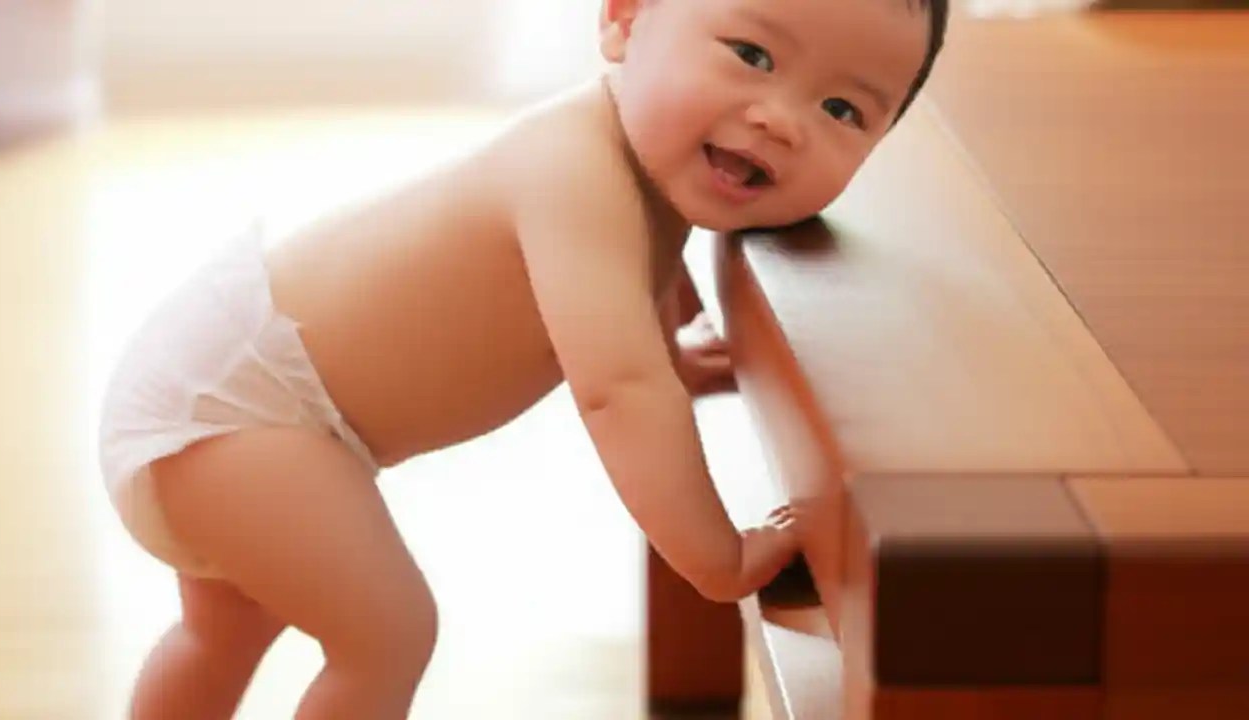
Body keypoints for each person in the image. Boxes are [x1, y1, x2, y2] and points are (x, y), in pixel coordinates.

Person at [98, 0, 949, 716]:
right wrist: (717, 557)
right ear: (624, 20)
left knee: (223, 629)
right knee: (386, 634)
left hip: (228, 390)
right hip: (244, 409)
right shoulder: (570, 167)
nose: (781, 118)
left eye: (844, 110)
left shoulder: (632, 163)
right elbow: (617, 388)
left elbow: (627, 293)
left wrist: (674, 356)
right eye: (752, 54)